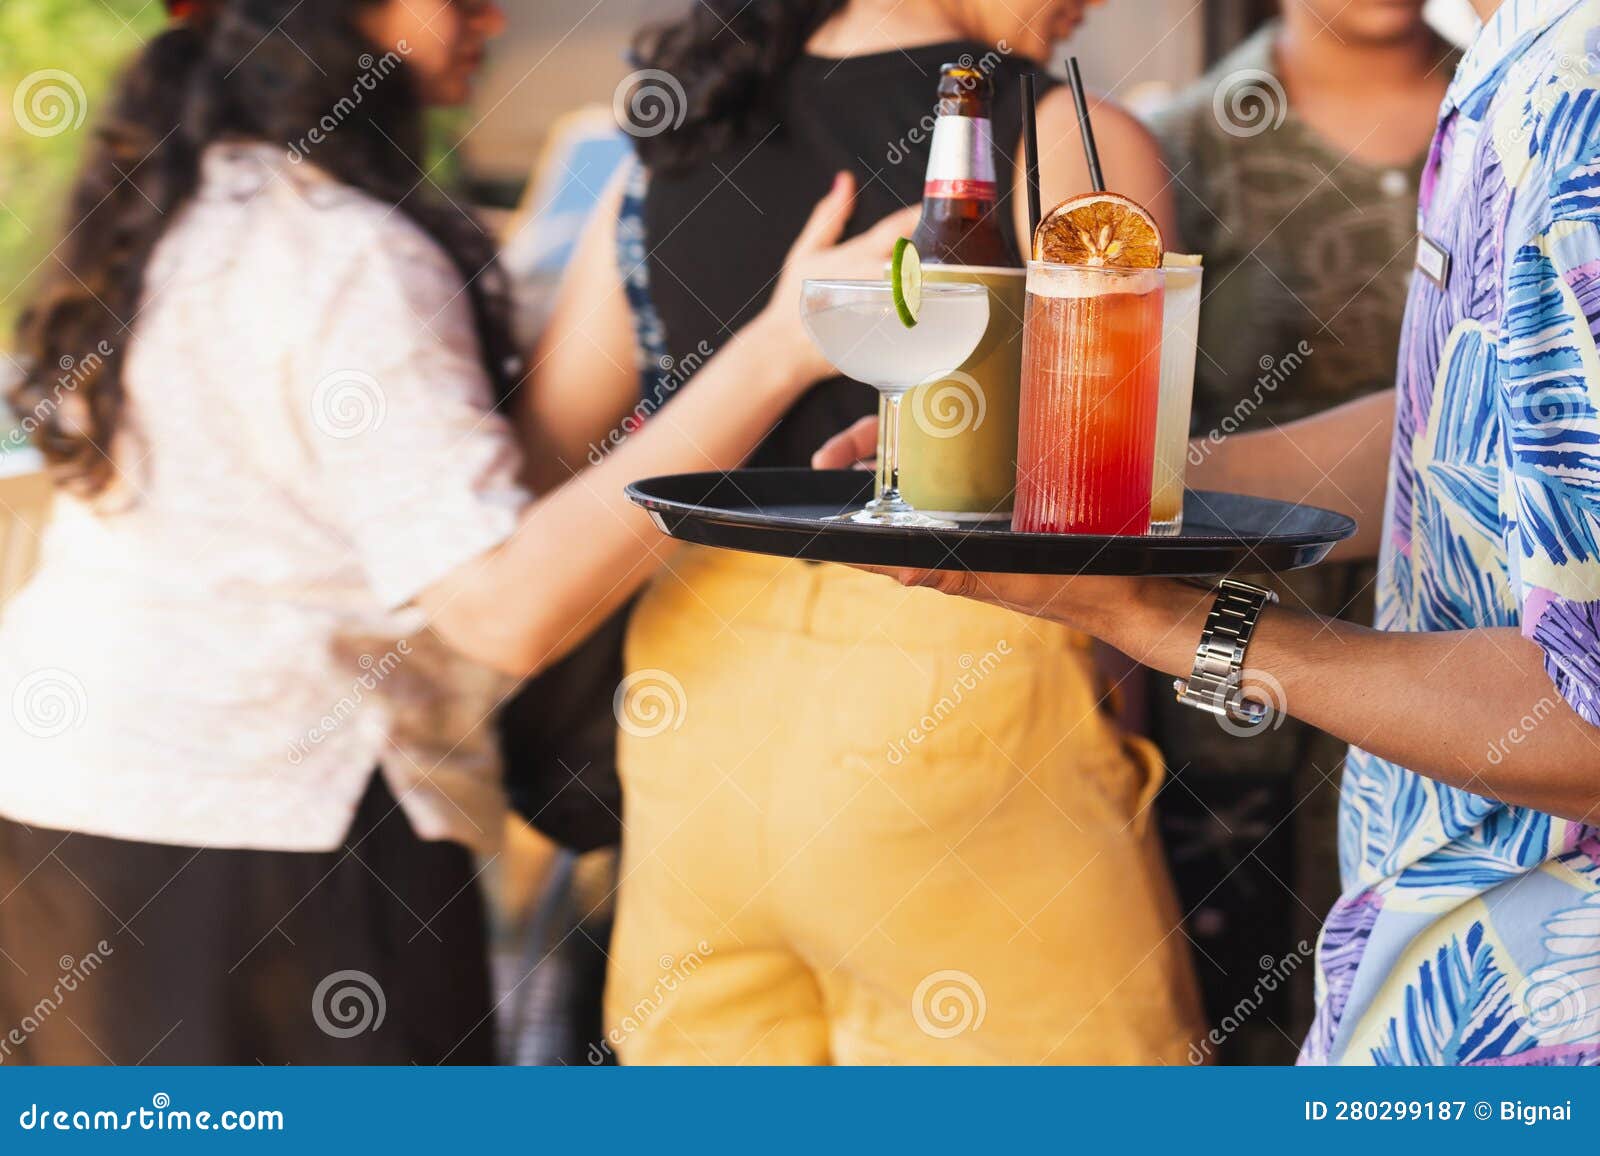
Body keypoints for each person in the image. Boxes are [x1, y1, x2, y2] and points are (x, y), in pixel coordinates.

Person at [0, 0, 909, 1064]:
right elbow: (500, 611)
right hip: (272, 830)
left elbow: (471, 485)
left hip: (70, 809)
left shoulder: (199, 205)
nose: (494, 13)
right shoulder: (347, 252)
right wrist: (780, 349)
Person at [821, 0, 1600, 1064]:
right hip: (1432, 931)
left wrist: (1161, 616)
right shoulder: (1516, 64)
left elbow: (1586, 719)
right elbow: (1465, 426)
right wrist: (1118, 481)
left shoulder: (1573, 84)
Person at [532, 0, 1203, 1064]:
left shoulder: (665, 144)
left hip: (692, 734)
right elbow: (1110, 485)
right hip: (969, 721)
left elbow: (552, 450)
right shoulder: (1064, 138)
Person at [1141, 0, 1457, 1060]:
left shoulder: (1531, 118)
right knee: (1237, 1002)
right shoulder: (1179, 146)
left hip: (1489, 679)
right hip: (1237, 685)